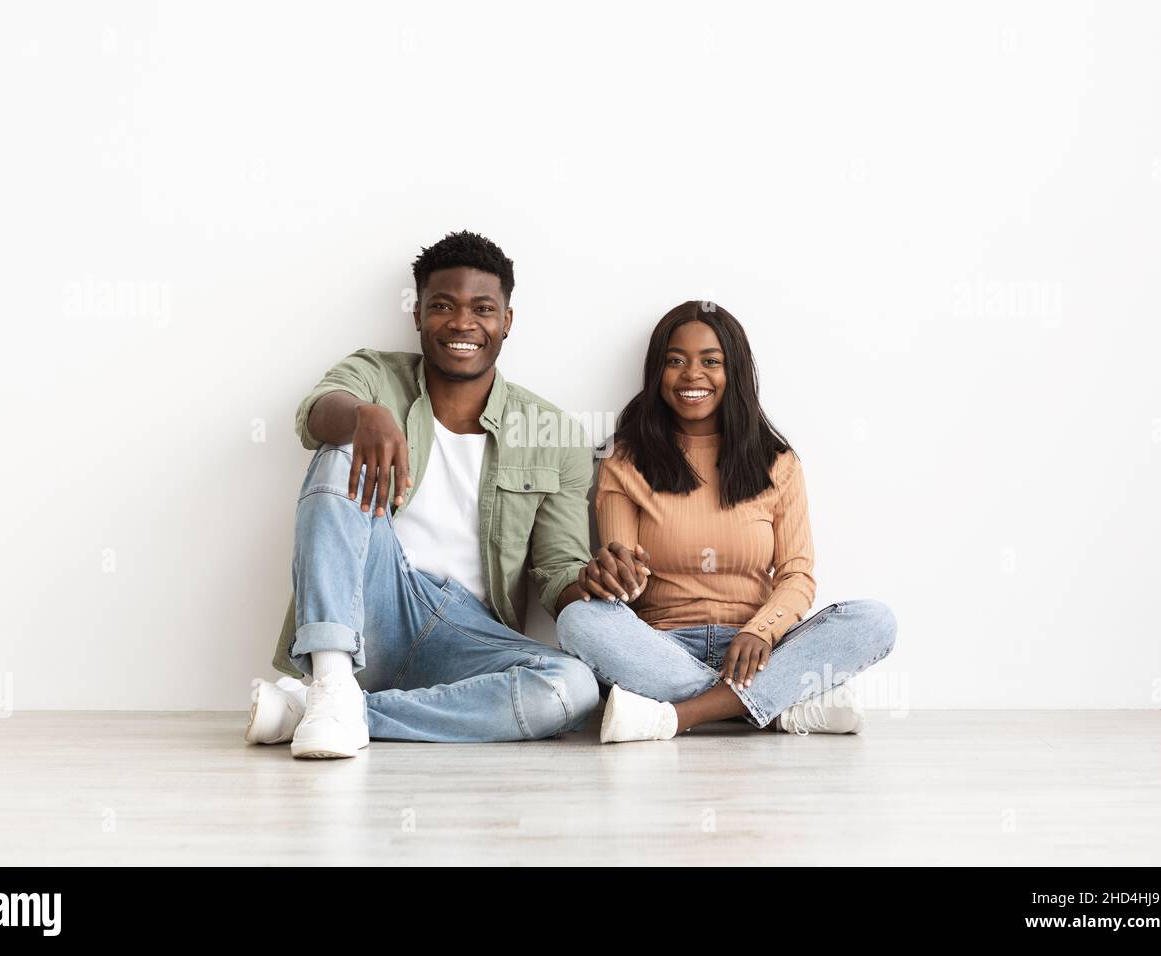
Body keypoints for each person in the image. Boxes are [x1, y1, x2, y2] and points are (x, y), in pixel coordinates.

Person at [246, 231, 604, 758]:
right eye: (443, 306)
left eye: (483, 308)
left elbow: (556, 573)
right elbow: (316, 413)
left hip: (468, 634)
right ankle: (330, 674)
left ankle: (322, 708)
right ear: (417, 314)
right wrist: (364, 416)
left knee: (572, 690)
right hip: (376, 603)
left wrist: (593, 582)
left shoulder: (555, 433)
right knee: (338, 451)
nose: (462, 323)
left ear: (507, 321)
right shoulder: (374, 375)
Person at [555, 301, 897, 743]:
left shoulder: (779, 464)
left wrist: (760, 631)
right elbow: (627, 581)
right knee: (577, 620)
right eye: (675, 361)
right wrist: (620, 577)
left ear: (733, 371)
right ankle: (775, 710)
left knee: (875, 620)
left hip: (762, 648)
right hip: (664, 647)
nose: (691, 374)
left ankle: (678, 716)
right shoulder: (625, 460)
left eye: (710, 361)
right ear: (657, 373)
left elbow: (797, 575)